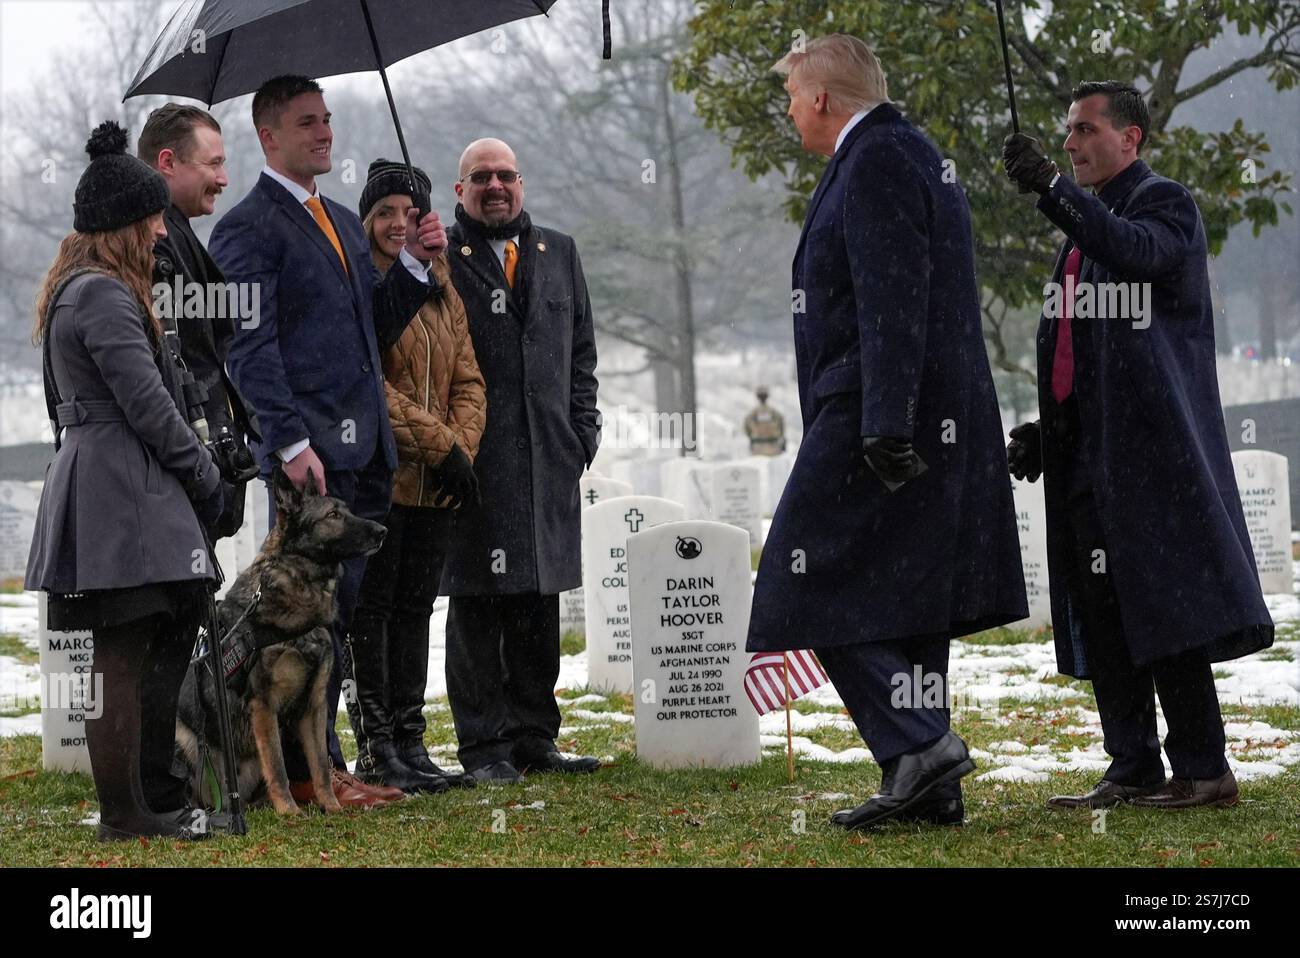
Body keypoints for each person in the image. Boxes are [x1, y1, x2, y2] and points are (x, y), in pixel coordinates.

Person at [748, 35, 1028, 830]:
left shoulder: (876, 159)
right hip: (915, 408)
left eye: (795, 98)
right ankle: (926, 785)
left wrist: (884, 423)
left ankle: (920, 743)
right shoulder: (906, 152)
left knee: (803, 583)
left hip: (878, 406)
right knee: (910, 594)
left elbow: (892, 297)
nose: (793, 112)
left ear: (825, 100)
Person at [1003, 81, 1273, 810]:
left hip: (1153, 457)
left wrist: (1055, 190)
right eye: (1066, 132)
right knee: (1103, 610)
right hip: (1089, 454)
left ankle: (1204, 769)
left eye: (1086, 130)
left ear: (1131, 138)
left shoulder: (1164, 204)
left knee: (1165, 607)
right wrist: (1047, 427)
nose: (1069, 144)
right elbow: (1077, 349)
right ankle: (1132, 766)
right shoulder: (1077, 232)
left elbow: (1135, 253)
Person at [209, 75, 446, 810]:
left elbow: (369, 331)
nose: (324, 134)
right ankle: (312, 775)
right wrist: (287, 442)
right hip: (310, 456)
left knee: (343, 619)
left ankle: (333, 765)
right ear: (268, 135)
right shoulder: (247, 228)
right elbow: (247, 348)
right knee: (308, 621)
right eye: (307, 123)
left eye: (327, 120)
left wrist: (413, 266)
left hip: (367, 446)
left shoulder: (343, 220)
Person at [26, 120, 227, 841]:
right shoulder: (104, 297)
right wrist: (202, 471)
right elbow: (148, 406)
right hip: (122, 486)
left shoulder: (80, 290)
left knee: (134, 645)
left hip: (111, 477)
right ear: (120, 225)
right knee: (119, 654)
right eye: (148, 219)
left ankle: (140, 800)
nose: (158, 231)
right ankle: (125, 813)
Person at [440, 137, 601, 783]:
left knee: (539, 605)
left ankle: (536, 738)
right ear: (460, 191)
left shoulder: (558, 251)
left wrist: (581, 433)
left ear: (522, 183)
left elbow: (581, 351)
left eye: (506, 175)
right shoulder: (441, 256)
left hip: (549, 460)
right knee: (478, 606)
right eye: (481, 177)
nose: (496, 186)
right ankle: (483, 748)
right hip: (476, 463)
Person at [347, 159, 486, 793]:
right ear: (368, 221)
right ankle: (377, 747)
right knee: (373, 612)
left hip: (437, 482)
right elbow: (374, 386)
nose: (398, 224)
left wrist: (461, 449)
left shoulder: (443, 287)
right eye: (384, 214)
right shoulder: (366, 291)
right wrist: (440, 448)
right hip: (390, 478)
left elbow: (468, 379)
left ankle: (411, 740)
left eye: (410, 213)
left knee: (414, 610)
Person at [139, 103, 259, 540]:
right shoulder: (156, 244)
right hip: (187, 474)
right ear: (168, 163)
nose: (224, 179)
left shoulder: (178, 232)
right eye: (214, 164)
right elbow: (173, 365)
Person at [743, 385, 786, 456]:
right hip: (774, 449)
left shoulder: (752, 414)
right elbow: (782, 429)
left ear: (757, 397)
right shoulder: (775, 413)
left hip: (757, 449)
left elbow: (746, 430)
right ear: (767, 396)